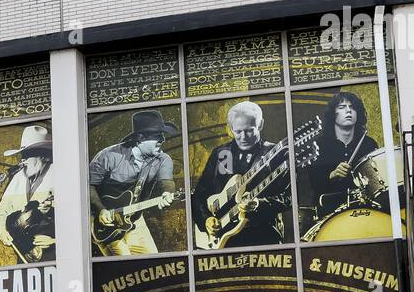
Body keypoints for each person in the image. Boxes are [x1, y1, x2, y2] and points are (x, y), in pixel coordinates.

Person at [191, 100, 289, 249]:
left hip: (264, 237)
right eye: (238, 131)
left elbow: (289, 197)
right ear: (231, 129)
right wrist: (206, 220)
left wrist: (258, 204)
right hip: (223, 239)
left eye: (249, 130)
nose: (244, 137)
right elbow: (199, 196)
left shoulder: (275, 153)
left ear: (260, 124)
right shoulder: (222, 154)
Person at [88, 110, 179, 256]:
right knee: (125, 266)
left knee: (153, 265)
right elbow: (88, 186)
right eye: (157, 136)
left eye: (163, 135)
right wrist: (100, 210)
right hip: (106, 222)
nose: (162, 139)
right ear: (140, 138)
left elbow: (166, 183)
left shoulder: (163, 159)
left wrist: (167, 193)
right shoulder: (110, 156)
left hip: (136, 221)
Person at [299, 90, 382, 226]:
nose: (348, 111)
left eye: (352, 107)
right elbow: (312, 185)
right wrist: (332, 174)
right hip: (329, 214)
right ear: (333, 114)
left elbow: (376, 181)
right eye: (342, 107)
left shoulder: (369, 144)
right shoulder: (319, 146)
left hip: (365, 211)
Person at [0, 125, 56, 262]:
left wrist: (56, 240)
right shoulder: (17, 178)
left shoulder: (59, 174)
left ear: (44, 156)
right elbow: (1, 212)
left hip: (55, 256)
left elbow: (76, 217)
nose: (22, 160)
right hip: (24, 257)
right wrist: (2, 232)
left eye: (27, 155)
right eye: (22, 155)